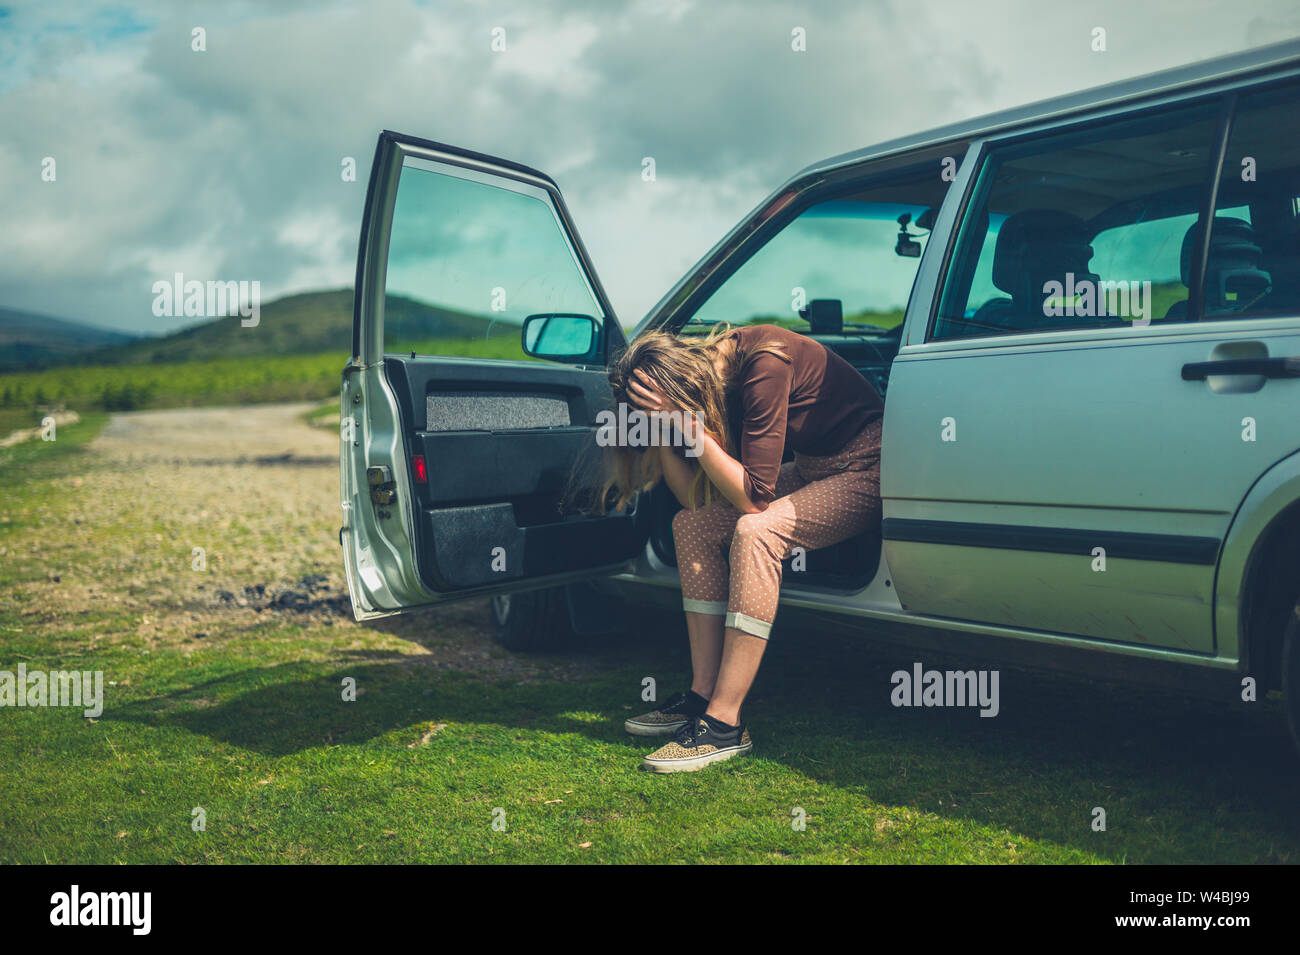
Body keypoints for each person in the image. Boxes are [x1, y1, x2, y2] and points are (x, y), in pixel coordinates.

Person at [601, 321, 885, 772]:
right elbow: (692, 499)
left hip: (868, 466)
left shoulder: (764, 365)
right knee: (691, 525)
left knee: (758, 532)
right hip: (817, 468)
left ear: (680, 386)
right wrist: (660, 430)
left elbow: (754, 499)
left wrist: (689, 426)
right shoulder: (719, 375)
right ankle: (701, 695)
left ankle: (725, 722)